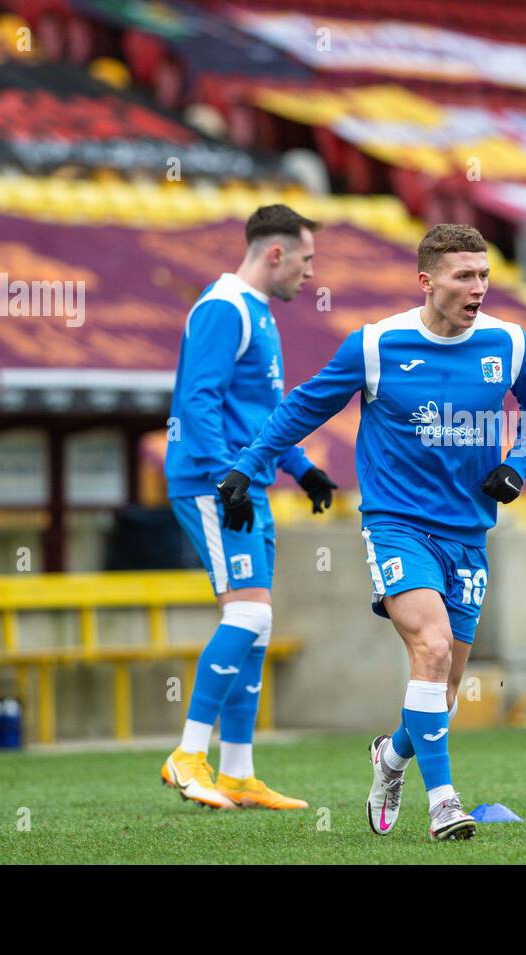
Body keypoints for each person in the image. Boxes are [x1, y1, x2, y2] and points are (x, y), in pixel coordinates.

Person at [218, 223, 526, 840]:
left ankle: (392, 757)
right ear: (427, 281)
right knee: (429, 650)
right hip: (397, 526)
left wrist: (519, 462)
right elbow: (305, 404)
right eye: (464, 275)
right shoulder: (377, 345)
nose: (478, 287)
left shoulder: (509, 345)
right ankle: (445, 804)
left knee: (446, 685)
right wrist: (248, 464)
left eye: (484, 274)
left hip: (469, 534)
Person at [160, 204, 337, 811]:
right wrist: (225, 479)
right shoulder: (222, 309)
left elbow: (261, 415)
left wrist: (301, 467)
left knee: (257, 629)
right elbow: (198, 403)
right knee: (249, 619)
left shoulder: (257, 314)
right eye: (307, 259)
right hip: (213, 483)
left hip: (246, 482)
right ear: (276, 253)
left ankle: (237, 770)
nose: (311, 274)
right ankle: (187, 755)